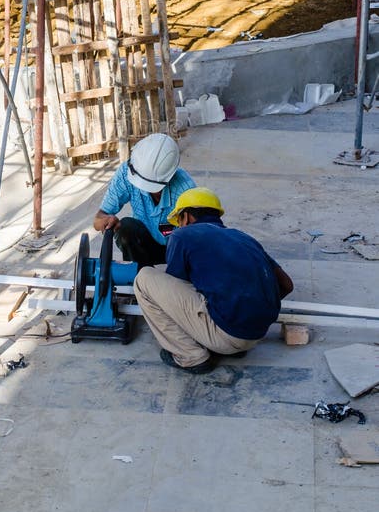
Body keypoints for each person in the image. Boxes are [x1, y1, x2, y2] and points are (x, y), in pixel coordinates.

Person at [134, 187, 294, 374]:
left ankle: (191, 356)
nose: (178, 226)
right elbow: (286, 285)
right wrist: (248, 309)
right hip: (256, 335)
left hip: (226, 335)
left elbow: (177, 288)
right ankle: (227, 340)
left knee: (144, 278)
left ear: (185, 217)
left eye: (178, 221)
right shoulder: (245, 238)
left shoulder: (182, 235)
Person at [93, 133, 196, 268]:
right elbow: (98, 219)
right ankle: (140, 276)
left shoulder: (185, 190)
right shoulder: (127, 173)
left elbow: (196, 240)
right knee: (126, 228)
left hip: (177, 247)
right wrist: (105, 220)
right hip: (143, 244)